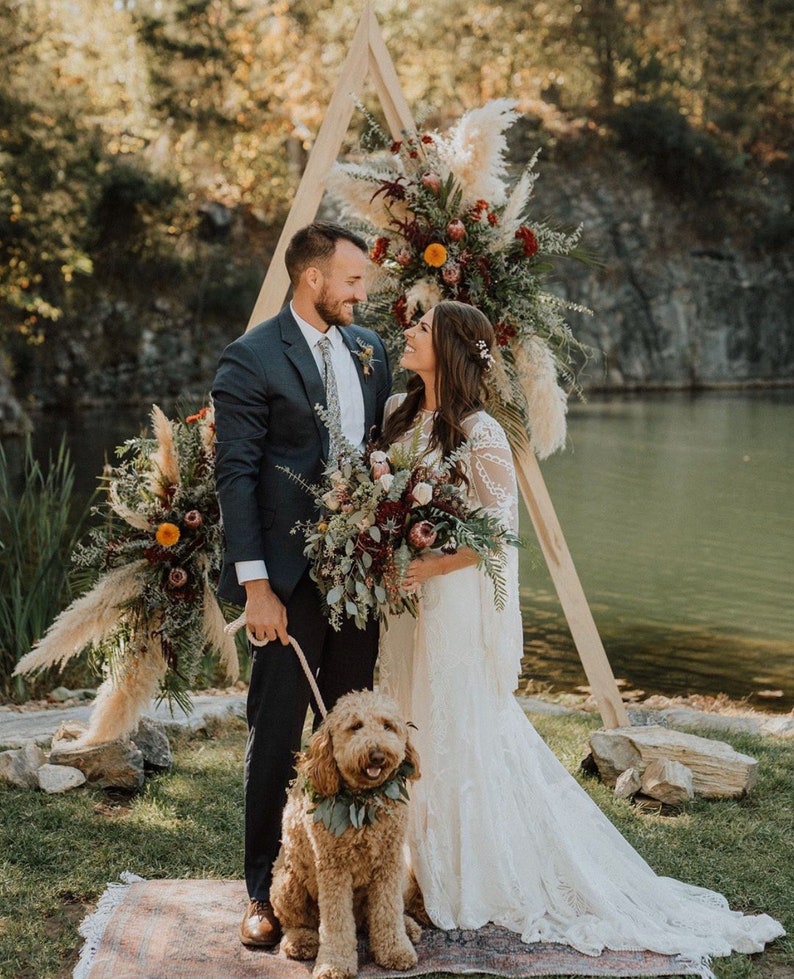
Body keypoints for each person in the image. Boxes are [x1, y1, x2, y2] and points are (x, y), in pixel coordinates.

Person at [377, 300, 784, 974]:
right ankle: (411, 864)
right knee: (409, 715)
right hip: (401, 601)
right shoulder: (398, 412)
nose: (408, 332)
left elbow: (496, 534)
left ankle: (463, 870)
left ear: (447, 349)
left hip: (445, 597)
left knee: (454, 725)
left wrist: (426, 564)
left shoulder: (480, 434)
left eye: (421, 327)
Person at [212, 222, 392, 947]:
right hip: (285, 587)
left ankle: (347, 889)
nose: (361, 295)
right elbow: (236, 478)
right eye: (352, 281)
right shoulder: (250, 358)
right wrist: (256, 587)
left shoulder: (370, 350)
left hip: (359, 585)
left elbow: (378, 451)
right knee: (281, 731)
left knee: (355, 735)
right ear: (313, 279)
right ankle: (262, 892)